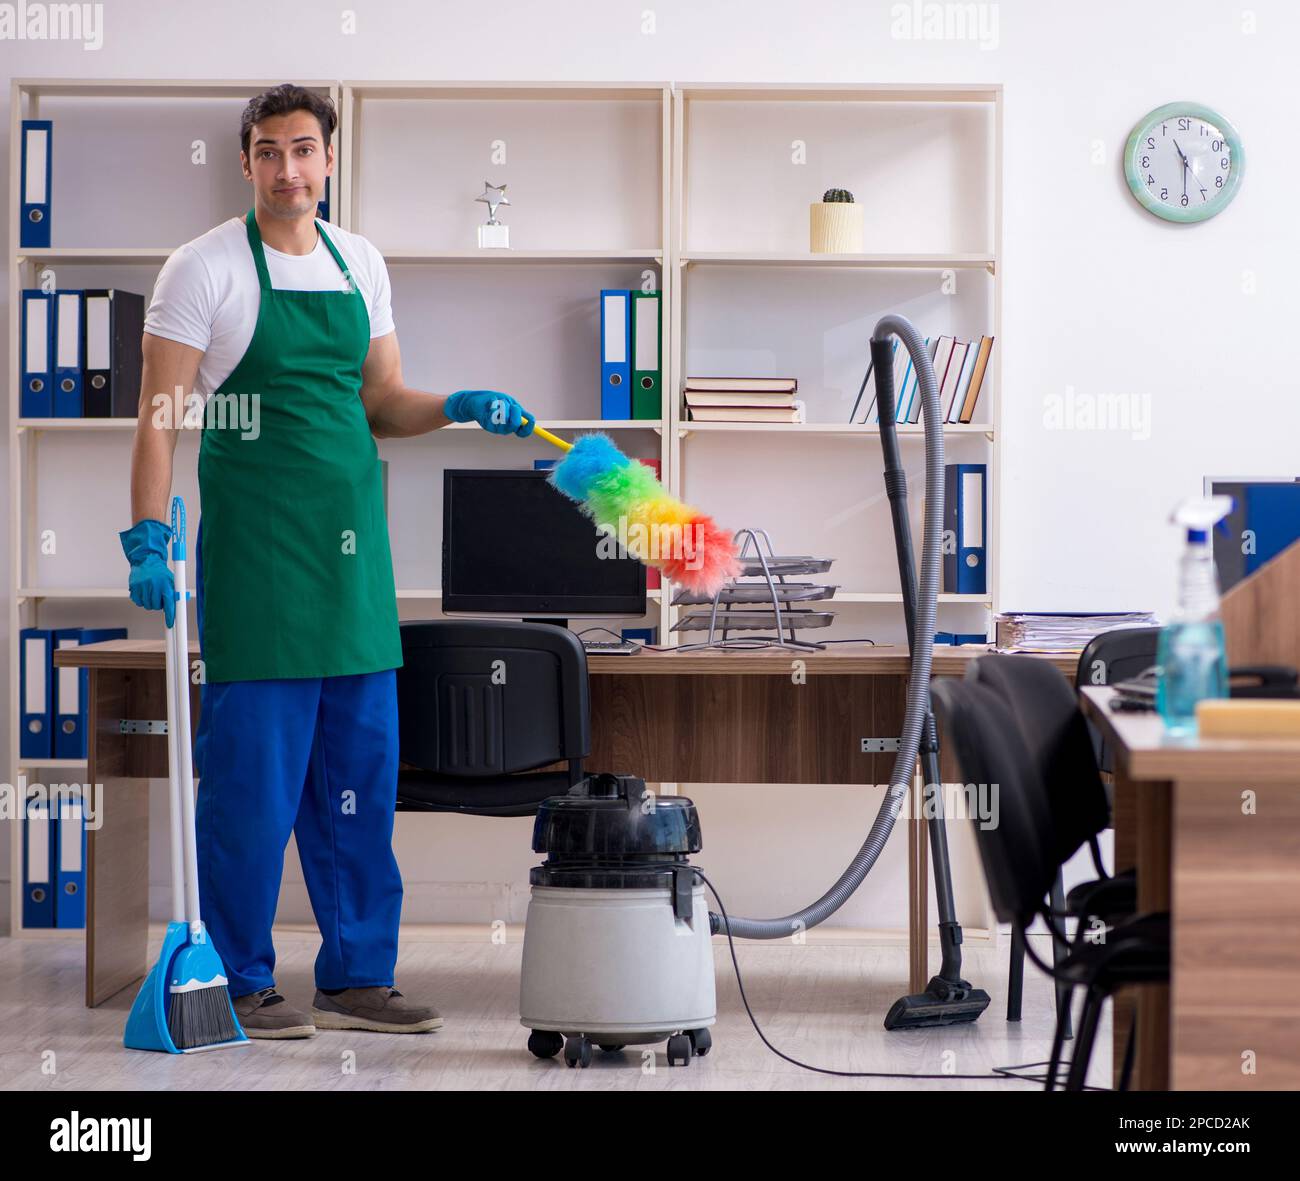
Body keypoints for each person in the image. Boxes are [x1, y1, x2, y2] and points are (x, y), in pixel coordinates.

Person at [119, 83, 535, 1039]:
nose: (288, 169)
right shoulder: (205, 268)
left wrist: (458, 405)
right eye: (268, 152)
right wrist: (146, 533)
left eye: (304, 150)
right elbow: (161, 417)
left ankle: (356, 976)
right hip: (259, 562)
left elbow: (381, 400)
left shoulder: (362, 263)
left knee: (358, 781)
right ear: (246, 163)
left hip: (354, 565)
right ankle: (239, 979)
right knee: (252, 792)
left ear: (330, 160)